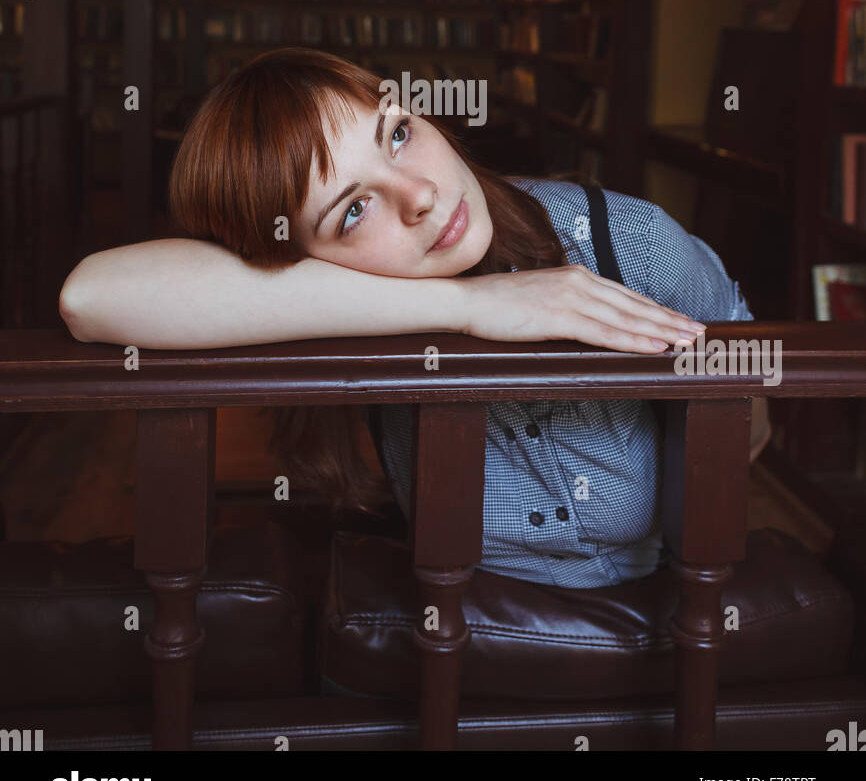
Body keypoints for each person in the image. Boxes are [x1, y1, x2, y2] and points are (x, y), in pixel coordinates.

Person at [59, 47, 766, 590]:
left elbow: (754, 393)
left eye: (397, 134)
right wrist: (465, 305)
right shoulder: (346, 294)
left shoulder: (626, 239)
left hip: (669, 616)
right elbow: (90, 298)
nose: (422, 195)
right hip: (459, 635)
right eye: (354, 209)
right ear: (300, 258)